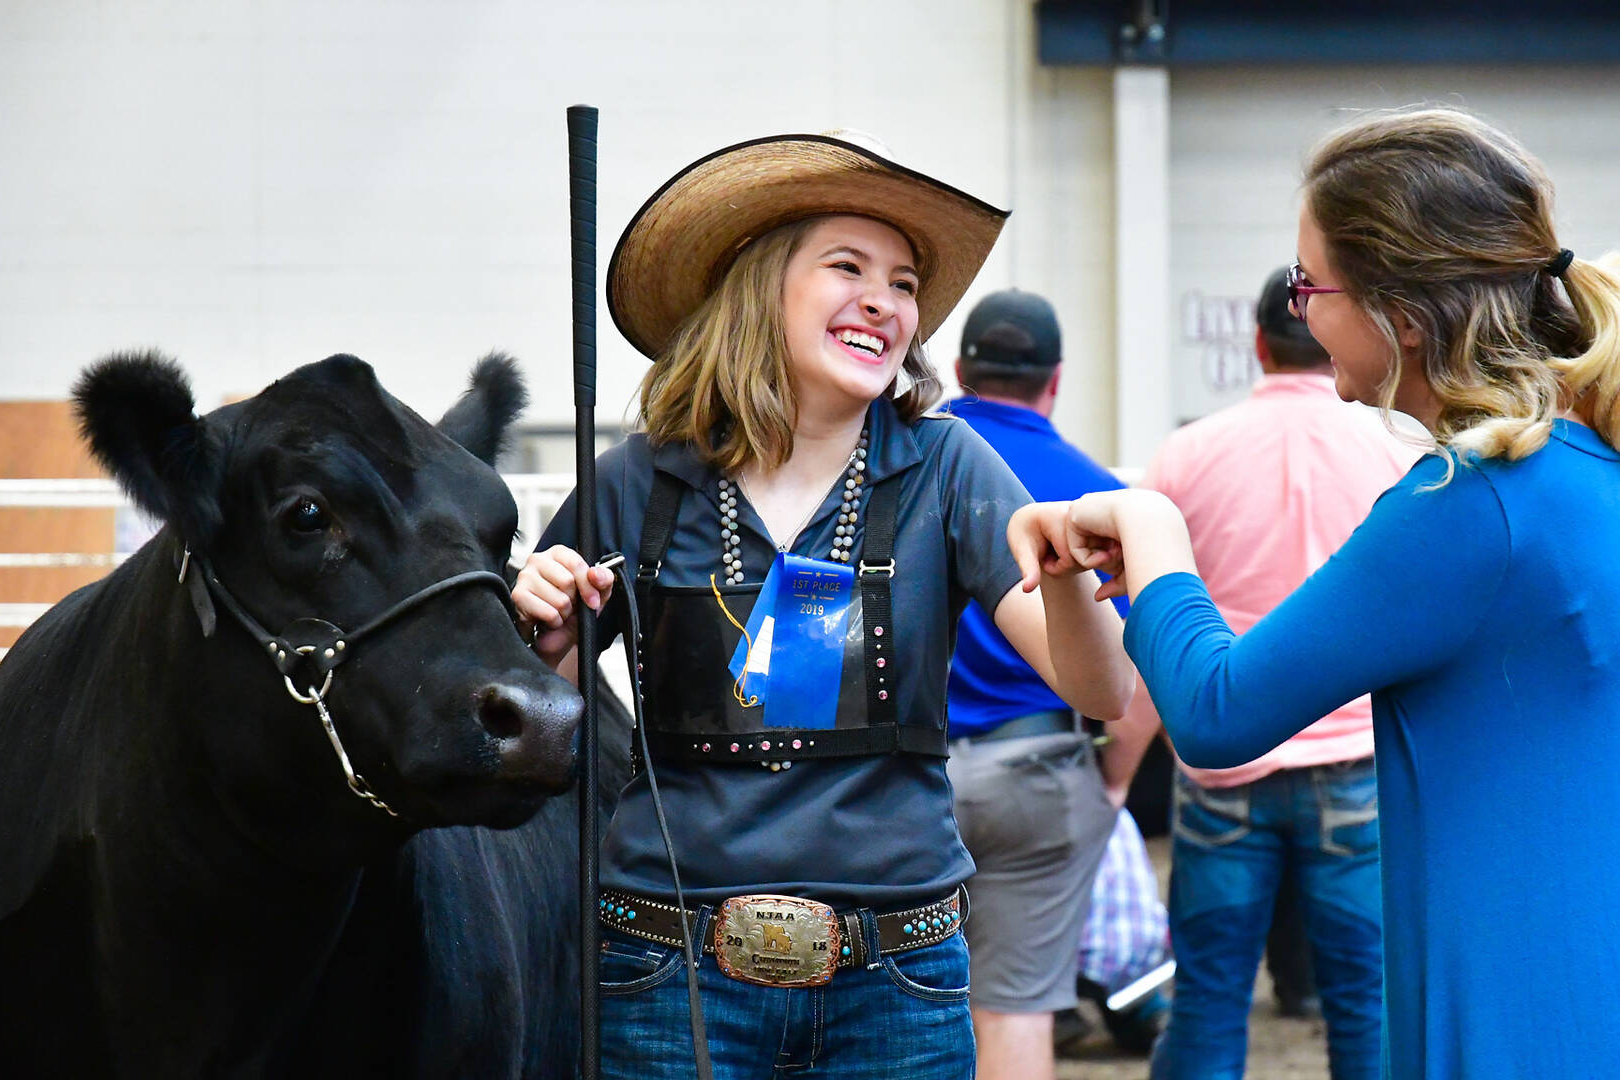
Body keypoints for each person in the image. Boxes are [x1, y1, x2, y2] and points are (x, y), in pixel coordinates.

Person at [1005, 107, 1620, 1077]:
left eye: (1310, 285)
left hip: (1554, 1021)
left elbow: (1216, 712)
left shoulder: (1471, 504)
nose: (1301, 312)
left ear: (1405, 316)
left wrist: (1153, 528)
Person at [511, 132, 1134, 1079]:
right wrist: (545, 638)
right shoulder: (636, 481)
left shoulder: (948, 466)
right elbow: (530, 735)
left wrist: (1065, 578)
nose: (885, 301)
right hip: (668, 976)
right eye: (848, 267)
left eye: (904, 283)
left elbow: (1103, 688)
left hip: (896, 983)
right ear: (760, 288)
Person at [1122, 267, 1416, 1079]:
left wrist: (1119, 771)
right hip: (1355, 765)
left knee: (1208, 998)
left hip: (1223, 765)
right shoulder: (1397, 450)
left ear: (1257, 344)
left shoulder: (1184, 456)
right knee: (1367, 1003)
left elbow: (1153, 626)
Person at [941, 288, 1123, 1079]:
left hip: (902, 782)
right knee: (1015, 1006)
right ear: (1055, 380)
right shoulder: (1094, 491)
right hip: (1038, 774)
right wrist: (1115, 782)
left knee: (887, 1004)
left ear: (958, 369)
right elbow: (1137, 672)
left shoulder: (909, 463)